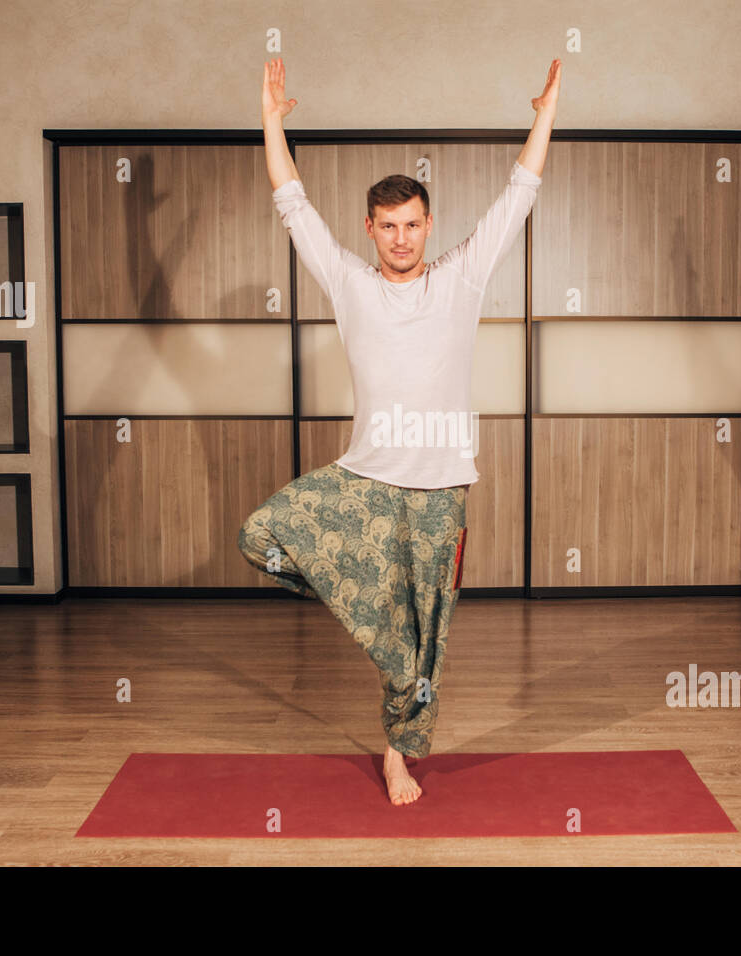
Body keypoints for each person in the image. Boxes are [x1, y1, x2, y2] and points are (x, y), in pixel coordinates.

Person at [239, 56, 561, 805]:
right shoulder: (351, 284)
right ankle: (376, 636)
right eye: (388, 227)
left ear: (427, 225)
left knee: (428, 643)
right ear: (370, 229)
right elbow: (293, 205)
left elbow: (519, 195)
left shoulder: (461, 279)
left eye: (412, 224)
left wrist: (544, 114)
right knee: (263, 533)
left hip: (441, 490)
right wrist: (271, 122)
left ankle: (397, 751)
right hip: (367, 480)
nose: (402, 238)